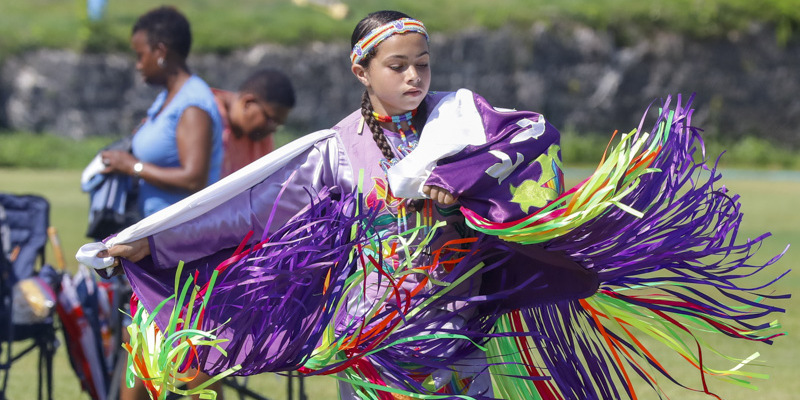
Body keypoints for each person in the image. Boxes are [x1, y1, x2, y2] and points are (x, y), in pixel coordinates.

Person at [80, 10, 788, 400]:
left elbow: (537, 134)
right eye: (399, 66)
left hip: (458, 338)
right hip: (374, 344)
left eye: (423, 64)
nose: (415, 76)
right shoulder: (336, 151)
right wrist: (151, 242)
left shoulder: (465, 125)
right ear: (362, 70)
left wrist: (469, 187)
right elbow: (246, 210)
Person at [94, 6, 224, 400]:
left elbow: (194, 177)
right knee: (144, 358)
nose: (137, 65)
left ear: (162, 51)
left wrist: (130, 165)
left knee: (183, 368)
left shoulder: (193, 104)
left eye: (140, 54)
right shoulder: (168, 100)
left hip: (179, 254)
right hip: (151, 252)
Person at [212, 68, 296, 177]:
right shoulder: (205, 116)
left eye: (278, 124)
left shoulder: (261, 139)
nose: (273, 129)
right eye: (270, 120)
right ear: (248, 103)